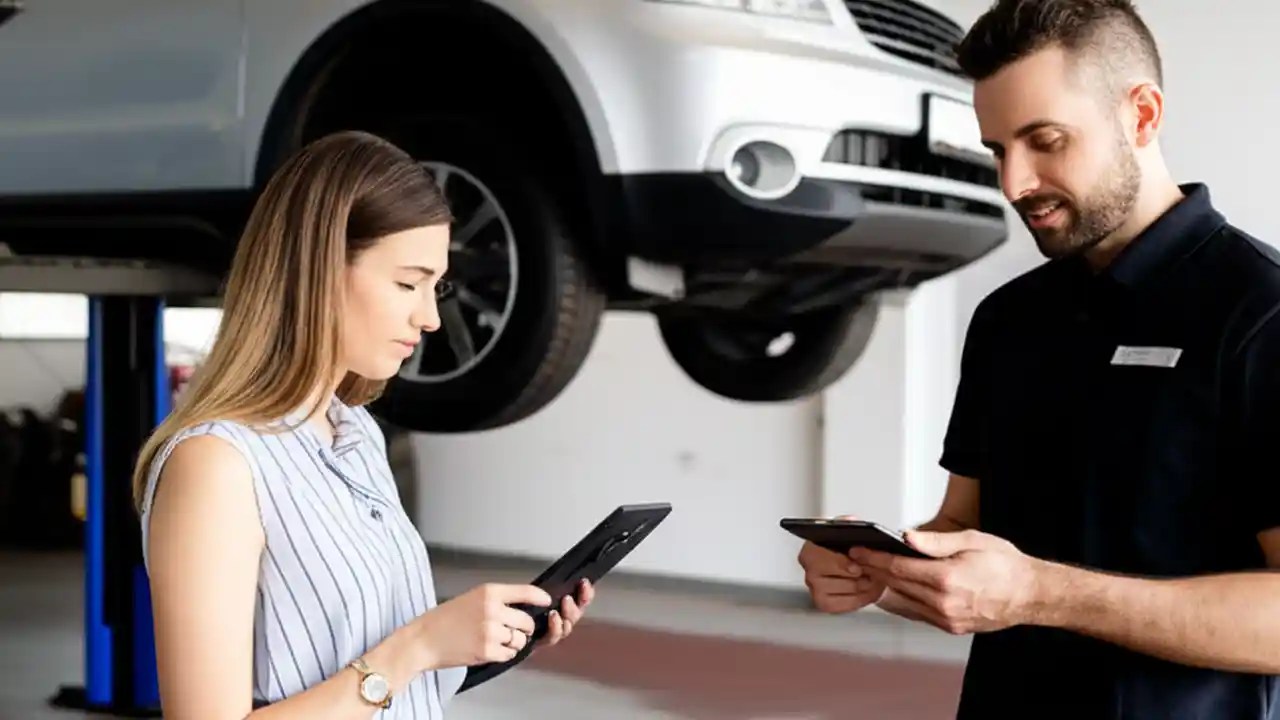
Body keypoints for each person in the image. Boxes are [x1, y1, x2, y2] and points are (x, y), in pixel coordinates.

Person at [798, 1, 1280, 717]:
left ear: (1142, 116)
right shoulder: (1008, 319)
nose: (1013, 183)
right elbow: (963, 525)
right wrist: (877, 569)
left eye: (1045, 140)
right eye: (997, 149)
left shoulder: (1260, 313)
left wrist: (1041, 594)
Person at [133, 130, 594, 719]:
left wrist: (475, 642)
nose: (430, 317)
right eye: (408, 282)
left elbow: (376, 674)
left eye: (438, 286)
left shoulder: (355, 435)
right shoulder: (216, 466)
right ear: (318, 270)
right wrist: (418, 645)